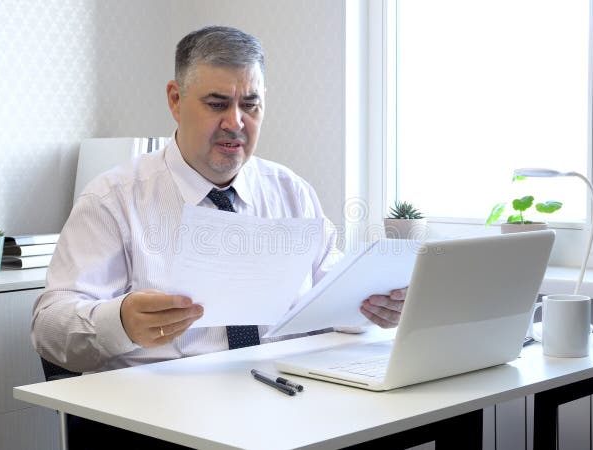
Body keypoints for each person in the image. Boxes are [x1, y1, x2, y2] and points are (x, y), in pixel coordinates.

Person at [32, 27, 406, 445]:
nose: (236, 123)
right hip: (161, 420)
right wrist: (119, 321)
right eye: (217, 104)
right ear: (175, 100)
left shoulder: (291, 192)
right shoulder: (113, 199)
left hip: (287, 407)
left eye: (251, 105)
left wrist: (370, 308)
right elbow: (48, 327)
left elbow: (333, 294)